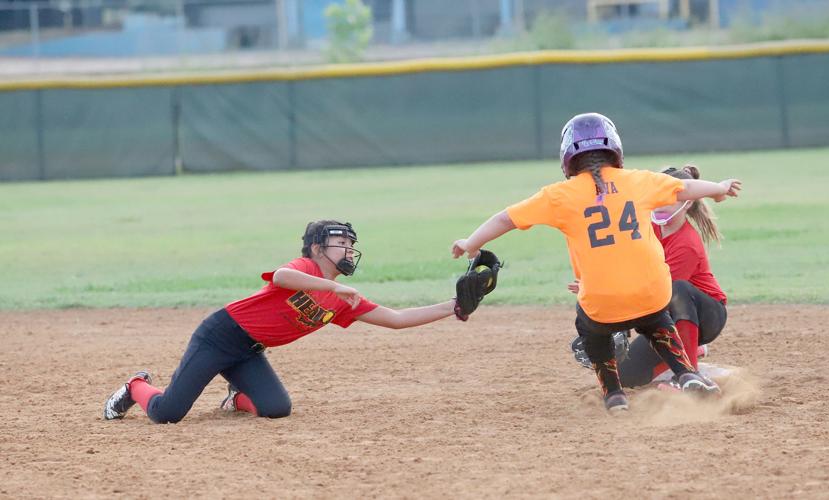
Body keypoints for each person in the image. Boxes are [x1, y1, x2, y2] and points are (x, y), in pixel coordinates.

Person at [450, 112, 741, 412]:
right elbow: (684, 189)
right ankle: (686, 372)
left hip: (602, 304)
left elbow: (506, 218)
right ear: (614, 149)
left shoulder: (558, 195)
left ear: (567, 156)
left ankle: (614, 395)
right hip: (651, 296)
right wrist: (719, 188)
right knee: (656, 317)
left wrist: (471, 243)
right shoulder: (638, 180)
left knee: (589, 322)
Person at [104, 220, 461, 423]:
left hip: (248, 350)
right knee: (168, 414)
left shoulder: (342, 299)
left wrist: (455, 305)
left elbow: (396, 319)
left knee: (277, 409)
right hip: (219, 336)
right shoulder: (305, 269)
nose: (349, 250)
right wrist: (333, 284)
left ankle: (236, 398)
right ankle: (136, 385)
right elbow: (280, 279)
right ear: (319, 249)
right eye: (342, 244)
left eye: (351, 245)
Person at [568, 165, 729, 389]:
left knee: (677, 289)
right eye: (659, 197)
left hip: (706, 316)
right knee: (624, 376)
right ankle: (689, 349)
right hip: (670, 314)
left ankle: (688, 373)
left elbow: (657, 294)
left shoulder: (687, 245)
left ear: (688, 202)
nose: (662, 204)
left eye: (670, 198)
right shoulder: (647, 228)